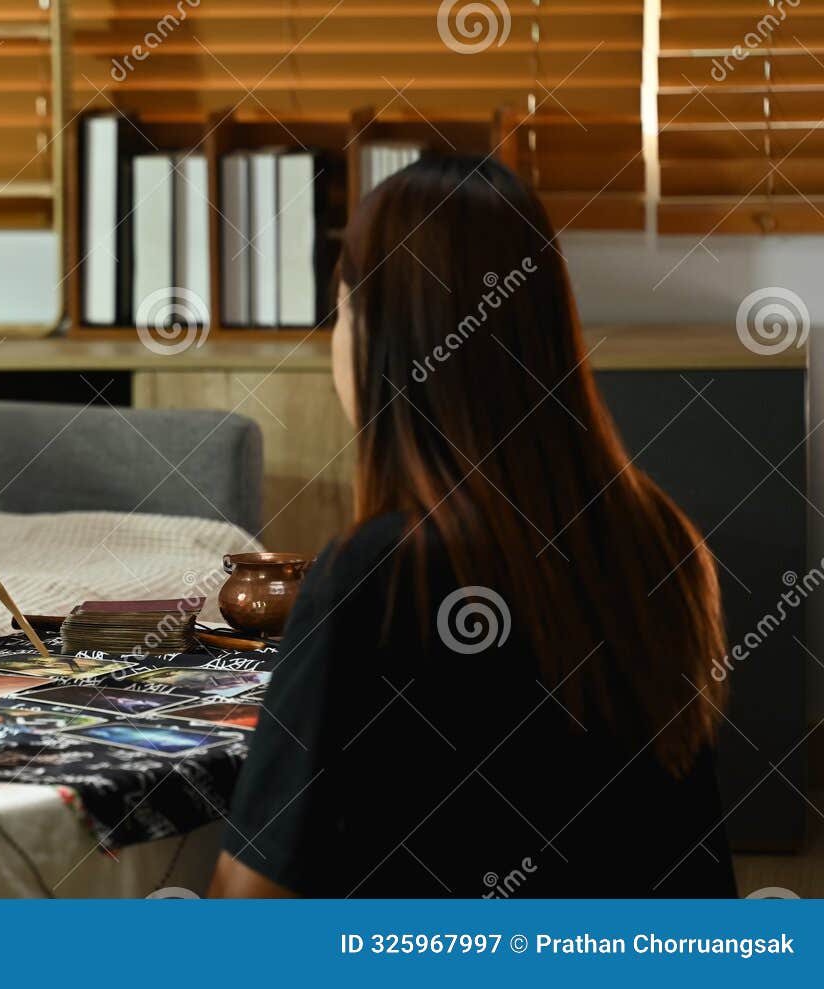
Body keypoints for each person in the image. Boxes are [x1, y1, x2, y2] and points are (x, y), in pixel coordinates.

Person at [210, 156, 735, 897]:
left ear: (376, 335)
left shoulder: (378, 574)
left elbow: (248, 909)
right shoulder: (666, 543)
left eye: (342, 308)